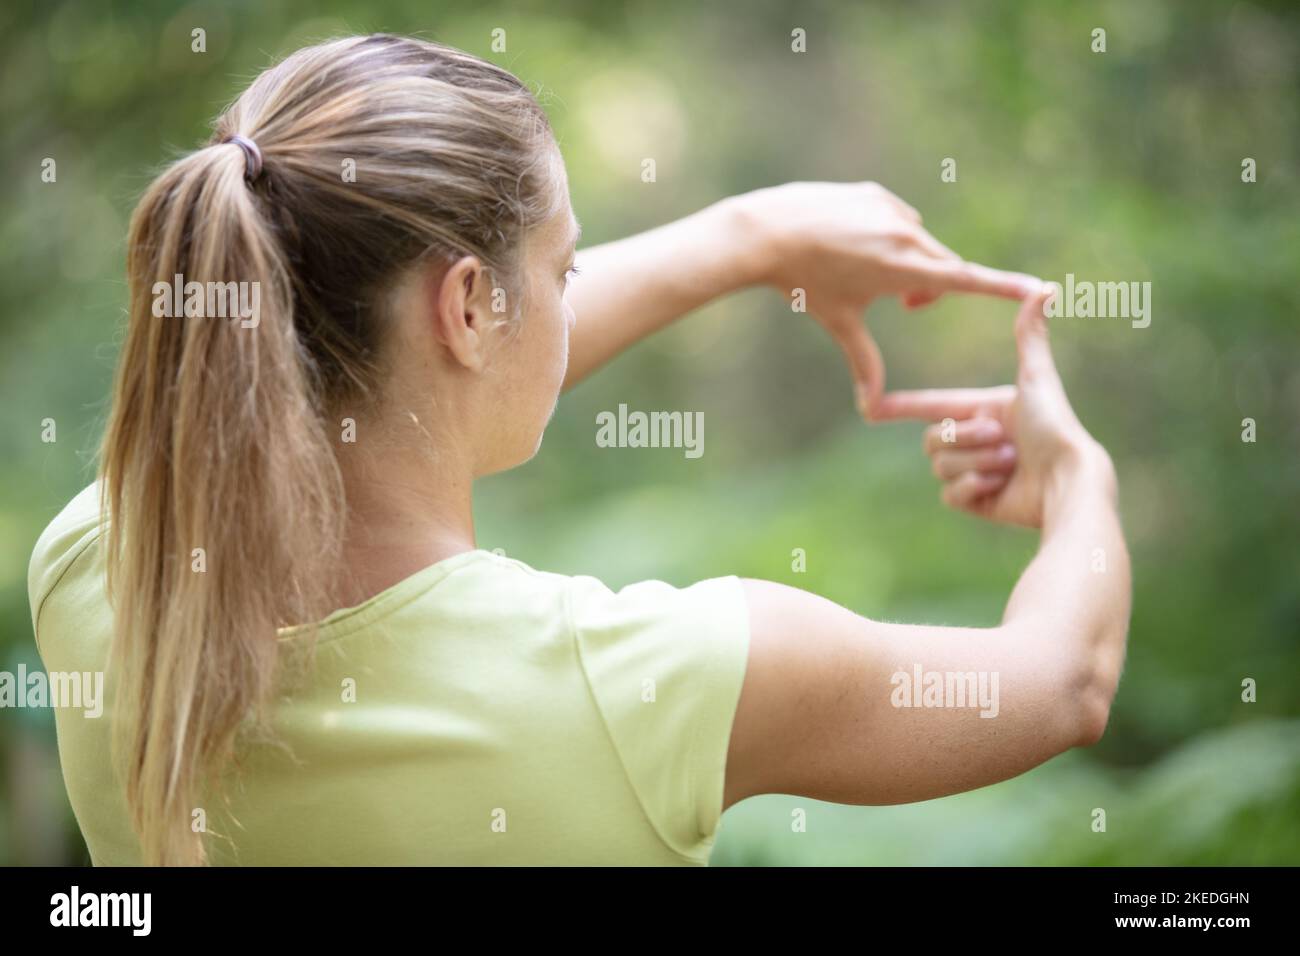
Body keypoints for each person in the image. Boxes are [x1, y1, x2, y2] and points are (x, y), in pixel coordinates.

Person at [27, 34, 1129, 866]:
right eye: (564, 271)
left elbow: (371, 386)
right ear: (466, 307)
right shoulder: (641, 688)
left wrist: (752, 238)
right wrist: (1078, 475)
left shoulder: (102, 571)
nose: (570, 298)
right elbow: (1062, 680)